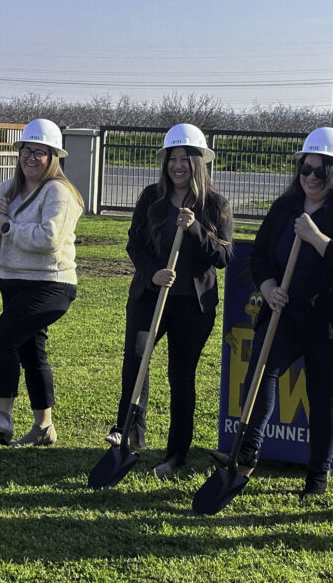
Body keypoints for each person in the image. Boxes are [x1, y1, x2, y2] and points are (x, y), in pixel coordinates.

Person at [210, 127, 333, 498]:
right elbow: (261, 254)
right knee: (260, 374)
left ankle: (317, 478)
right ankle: (246, 453)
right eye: (305, 168)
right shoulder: (285, 206)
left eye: (320, 171)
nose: (311, 177)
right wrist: (267, 286)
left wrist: (318, 239)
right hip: (287, 312)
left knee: (323, 396)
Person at [106, 124, 233, 478]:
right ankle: (128, 438)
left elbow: (224, 257)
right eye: (172, 159)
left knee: (181, 376)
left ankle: (176, 454)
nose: (177, 166)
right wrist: (153, 273)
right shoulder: (152, 198)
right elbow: (135, 243)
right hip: (150, 295)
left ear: (199, 163)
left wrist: (195, 230)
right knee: (135, 364)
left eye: (185, 159)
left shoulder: (214, 204)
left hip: (193, 306)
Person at [0, 118, 84, 447]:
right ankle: (44, 427)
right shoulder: (11, 187)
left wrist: (6, 227)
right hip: (14, 282)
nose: (31, 158)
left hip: (51, 284)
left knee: (3, 338)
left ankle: (3, 416)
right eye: (26, 150)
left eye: (40, 152)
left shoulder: (59, 192)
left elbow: (49, 238)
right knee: (31, 351)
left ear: (54, 158)